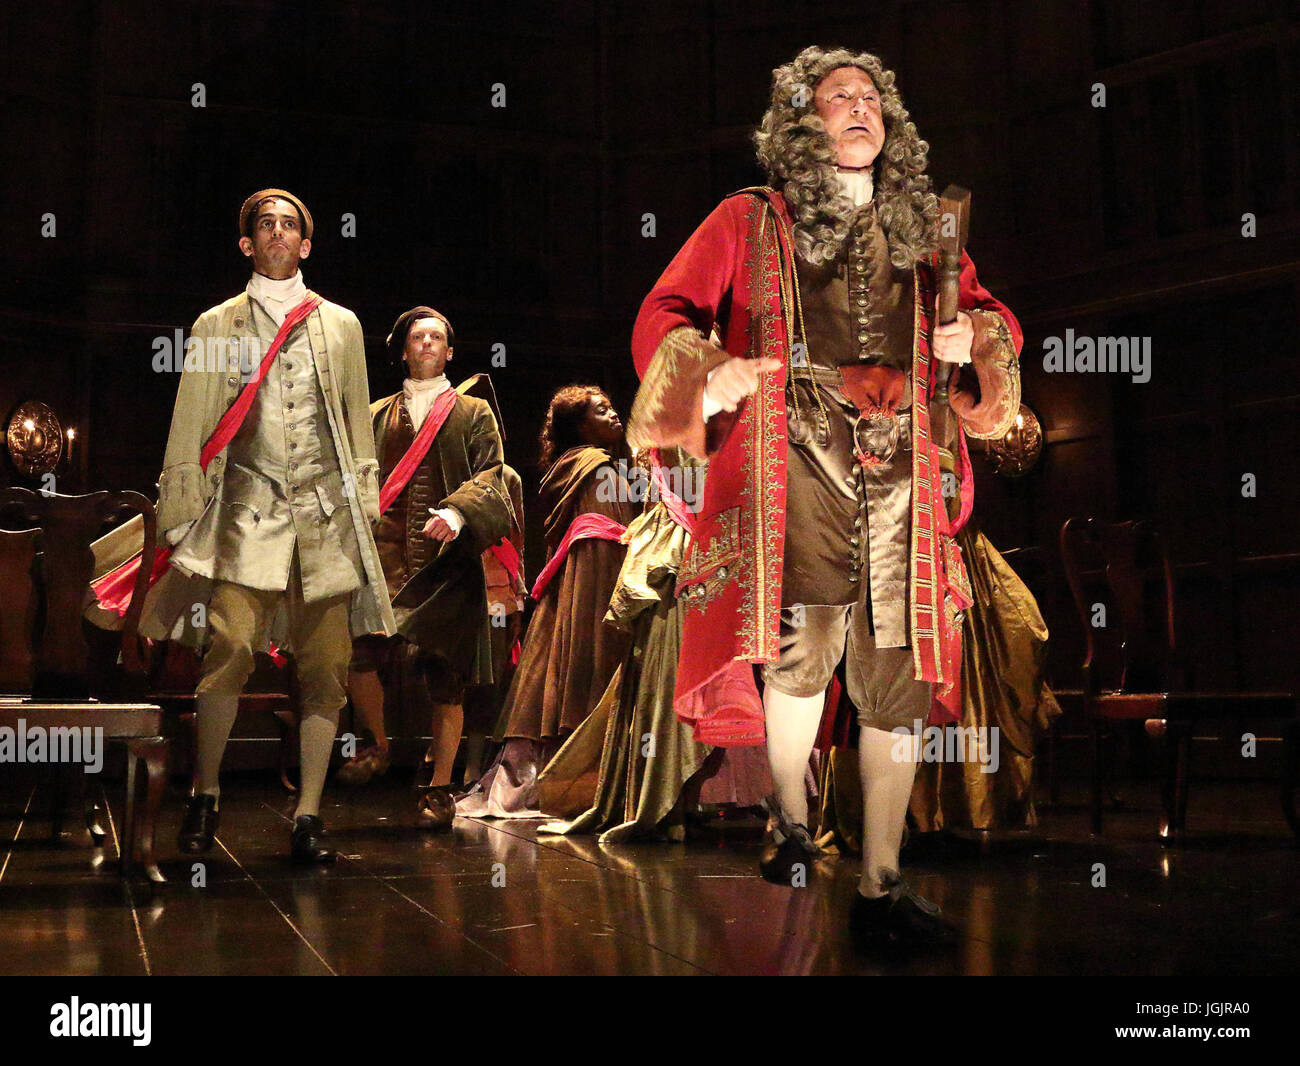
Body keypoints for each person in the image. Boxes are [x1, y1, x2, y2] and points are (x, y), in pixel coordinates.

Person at [628, 48, 1022, 951]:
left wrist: (975, 338)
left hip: (902, 465)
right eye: (837, 97)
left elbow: (993, 324)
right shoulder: (749, 217)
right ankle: (794, 820)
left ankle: (882, 884)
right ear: (802, 124)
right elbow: (666, 310)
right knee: (806, 642)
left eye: (873, 97)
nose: (859, 108)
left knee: (899, 669)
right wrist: (713, 371)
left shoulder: (930, 225)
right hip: (794, 446)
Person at [154, 188, 395, 863]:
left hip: (323, 522)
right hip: (243, 516)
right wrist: (180, 515)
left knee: (327, 668)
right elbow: (191, 420)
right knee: (228, 646)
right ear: (247, 243)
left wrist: (365, 511)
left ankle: (309, 816)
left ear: (307, 244)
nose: (279, 234)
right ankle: (205, 795)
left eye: (291, 226)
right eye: (267, 225)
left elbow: (355, 425)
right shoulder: (216, 325)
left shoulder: (342, 325)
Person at [338, 307, 514, 831]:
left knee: (447, 676)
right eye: (419, 336)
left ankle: (440, 786)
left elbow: (496, 476)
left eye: (438, 336)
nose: (429, 343)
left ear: (451, 352)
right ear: (404, 349)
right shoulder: (373, 415)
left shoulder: (474, 411)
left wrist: (459, 512)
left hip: (448, 562)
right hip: (384, 556)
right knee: (358, 652)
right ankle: (378, 742)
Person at [456, 386, 637, 817]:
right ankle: (579, 781)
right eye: (601, 410)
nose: (615, 415)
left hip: (582, 576)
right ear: (579, 426)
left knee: (555, 668)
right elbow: (603, 531)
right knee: (588, 662)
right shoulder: (595, 467)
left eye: (612, 408)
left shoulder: (580, 466)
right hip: (594, 577)